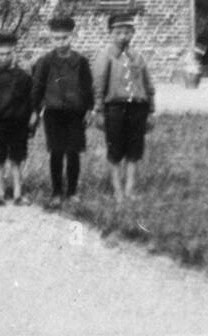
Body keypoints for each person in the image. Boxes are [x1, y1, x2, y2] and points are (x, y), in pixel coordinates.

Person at [30, 14, 95, 207]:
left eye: (65, 38)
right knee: (56, 152)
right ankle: (57, 191)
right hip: (53, 113)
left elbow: (87, 86)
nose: (61, 42)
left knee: (73, 151)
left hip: (75, 113)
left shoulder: (81, 61)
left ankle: (72, 191)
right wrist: (35, 111)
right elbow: (37, 87)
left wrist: (90, 109)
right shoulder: (45, 61)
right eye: (56, 38)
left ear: (72, 37)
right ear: (51, 39)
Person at [93, 11, 155, 203]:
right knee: (115, 149)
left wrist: (151, 111)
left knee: (134, 149)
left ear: (133, 33)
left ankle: (130, 188)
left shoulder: (138, 57)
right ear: (111, 33)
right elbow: (99, 85)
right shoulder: (105, 56)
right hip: (115, 109)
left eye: (127, 32)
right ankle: (117, 189)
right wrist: (99, 110)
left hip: (137, 108)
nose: (123, 36)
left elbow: (148, 85)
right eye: (118, 32)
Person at [0, 32, 34, 206]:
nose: (4, 58)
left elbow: (30, 101)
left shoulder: (23, 77)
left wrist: (32, 120)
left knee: (17, 158)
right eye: (0, 54)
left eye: (7, 54)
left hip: (18, 124)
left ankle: (18, 193)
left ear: (13, 53)